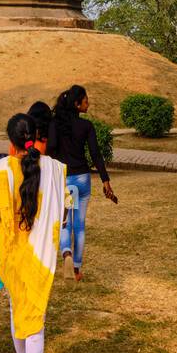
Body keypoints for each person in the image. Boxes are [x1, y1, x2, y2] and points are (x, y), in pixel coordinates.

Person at [0, 112, 67, 353]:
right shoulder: (56, 169)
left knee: (18, 308)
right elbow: (64, 211)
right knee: (35, 319)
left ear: (10, 142)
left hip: (10, 255)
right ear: (36, 137)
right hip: (40, 255)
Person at [47, 85, 117, 282]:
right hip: (83, 179)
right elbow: (95, 154)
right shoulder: (86, 126)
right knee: (79, 225)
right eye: (86, 100)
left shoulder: (55, 124)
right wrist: (105, 179)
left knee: (65, 220)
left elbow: (51, 148)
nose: (89, 103)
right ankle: (77, 269)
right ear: (77, 104)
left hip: (66, 181)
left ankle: (66, 253)